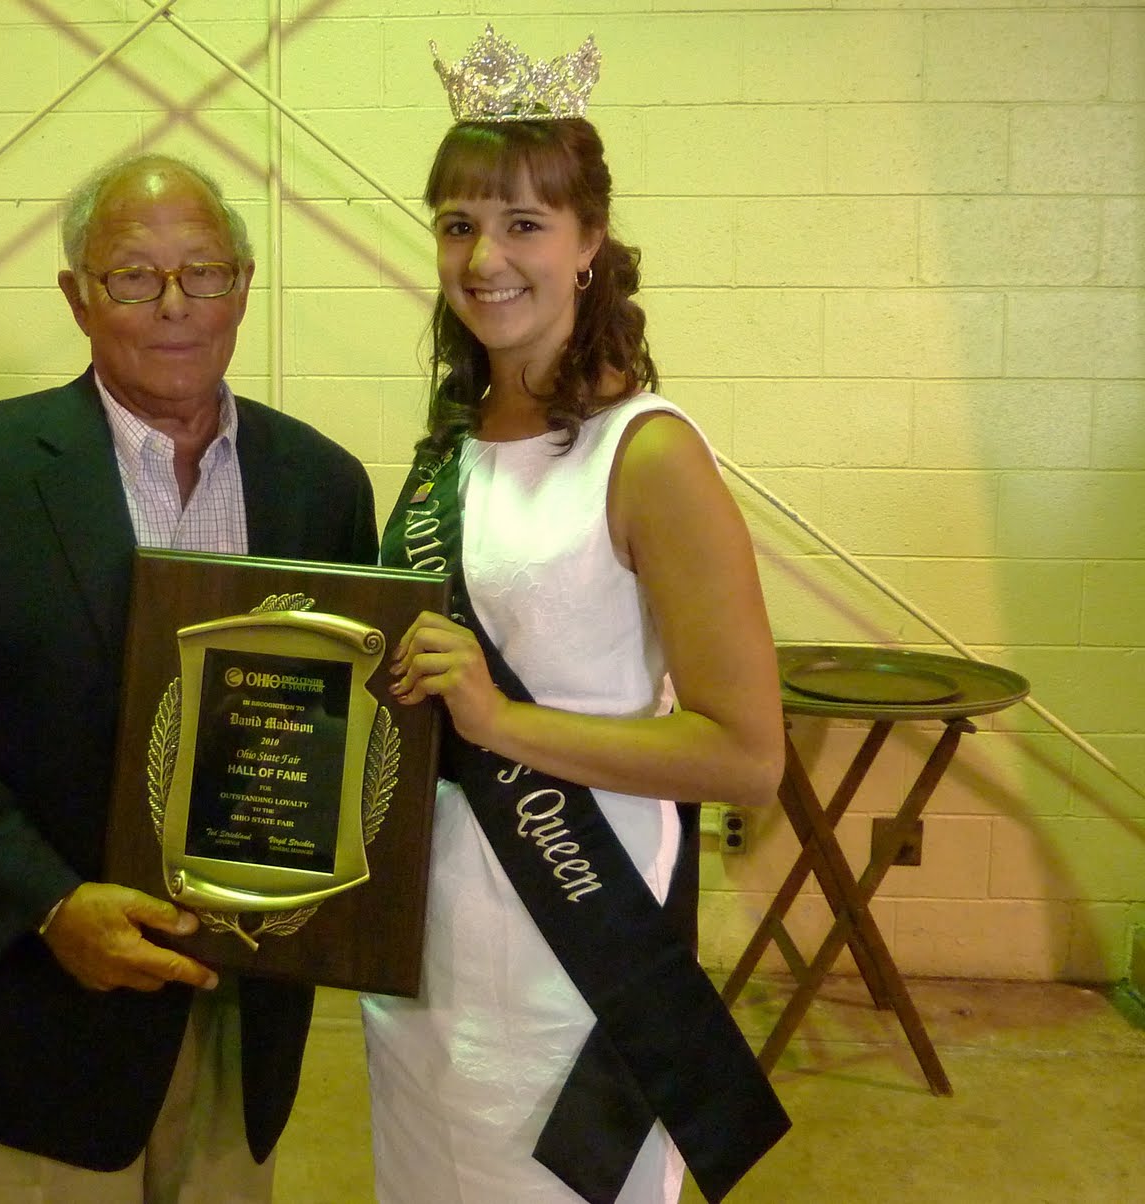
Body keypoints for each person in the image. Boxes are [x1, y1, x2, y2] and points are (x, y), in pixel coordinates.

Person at [0, 153, 377, 1203]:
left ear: (243, 286)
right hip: (43, 1008)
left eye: (204, 271)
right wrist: (47, 906)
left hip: (244, 1006)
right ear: (77, 296)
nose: (175, 304)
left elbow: (344, 734)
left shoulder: (321, 485)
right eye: (133, 275)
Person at [362, 27, 791, 1204]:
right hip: (425, 946)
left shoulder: (648, 454)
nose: (484, 257)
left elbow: (746, 757)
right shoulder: (447, 450)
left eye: (523, 223)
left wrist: (502, 722)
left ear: (589, 242)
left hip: (575, 945)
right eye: (457, 223)